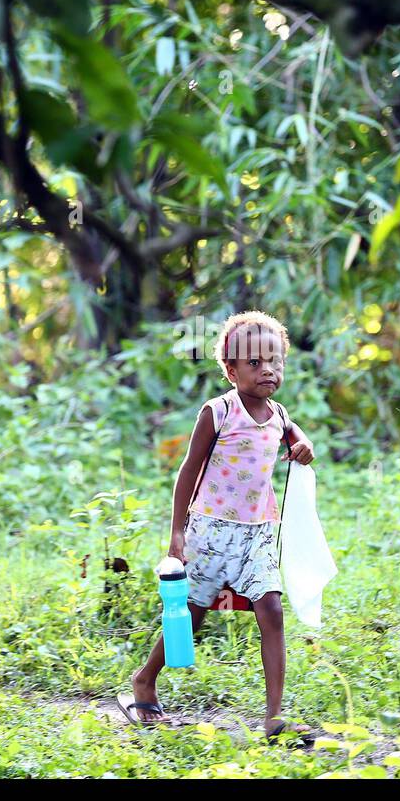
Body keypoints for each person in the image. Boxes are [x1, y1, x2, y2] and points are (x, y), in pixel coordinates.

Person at [119, 310, 315, 743]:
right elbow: (188, 471)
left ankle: (274, 718)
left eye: (276, 361)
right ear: (230, 370)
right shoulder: (219, 412)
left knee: (272, 609)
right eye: (255, 363)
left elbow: (293, 431)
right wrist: (176, 534)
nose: (268, 370)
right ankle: (144, 681)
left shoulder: (279, 413)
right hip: (209, 530)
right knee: (189, 614)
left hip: (258, 532)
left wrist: (304, 444)